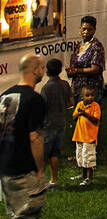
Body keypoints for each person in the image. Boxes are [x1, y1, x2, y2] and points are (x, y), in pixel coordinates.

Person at [0, 53, 52, 219]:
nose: (43, 70)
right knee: (27, 217)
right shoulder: (34, 99)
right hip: (22, 167)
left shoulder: (4, 96)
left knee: (17, 218)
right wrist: (40, 167)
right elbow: (35, 138)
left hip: (5, 166)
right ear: (34, 69)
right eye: (41, 67)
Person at [38, 58, 72, 190]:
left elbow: (42, 107)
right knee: (55, 153)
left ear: (47, 71)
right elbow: (70, 102)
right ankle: (54, 180)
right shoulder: (65, 84)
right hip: (61, 123)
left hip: (48, 124)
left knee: (43, 155)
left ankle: (40, 182)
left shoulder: (46, 88)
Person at [66, 16, 106, 104]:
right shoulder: (79, 45)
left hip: (91, 90)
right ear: (80, 29)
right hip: (78, 88)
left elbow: (95, 69)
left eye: (90, 29)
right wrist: (71, 71)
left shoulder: (96, 46)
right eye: (84, 29)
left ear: (94, 30)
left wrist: (77, 70)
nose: (86, 32)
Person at [71, 86, 101, 186]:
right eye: (87, 95)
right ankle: (83, 175)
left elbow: (96, 120)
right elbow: (74, 118)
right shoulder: (79, 104)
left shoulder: (95, 106)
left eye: (92, 95)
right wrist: (79, 113)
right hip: (79, 135)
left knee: (88, 157)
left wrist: (84, 114)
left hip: (89, 136)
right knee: (81, 156)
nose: (90, 97)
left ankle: (90, 177)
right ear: (82, 97)